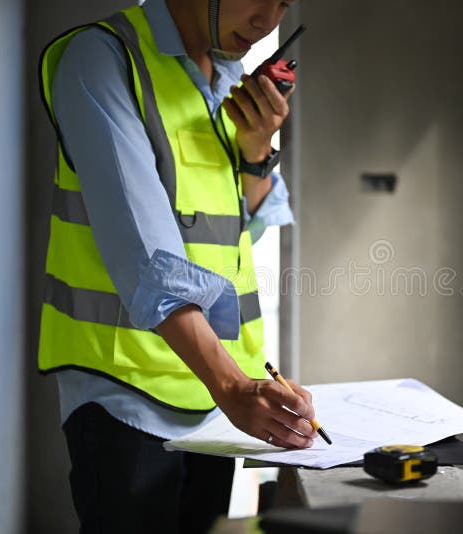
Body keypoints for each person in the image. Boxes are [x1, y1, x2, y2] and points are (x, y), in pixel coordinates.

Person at [37, 0, 312, 531]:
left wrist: (257, 150)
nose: (268, 21)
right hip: (127, 395)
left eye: (284, 1)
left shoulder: (227, 79)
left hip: (211, 397)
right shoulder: (102, 59)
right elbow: (148, 260)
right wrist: (234, 387)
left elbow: (238, 232)